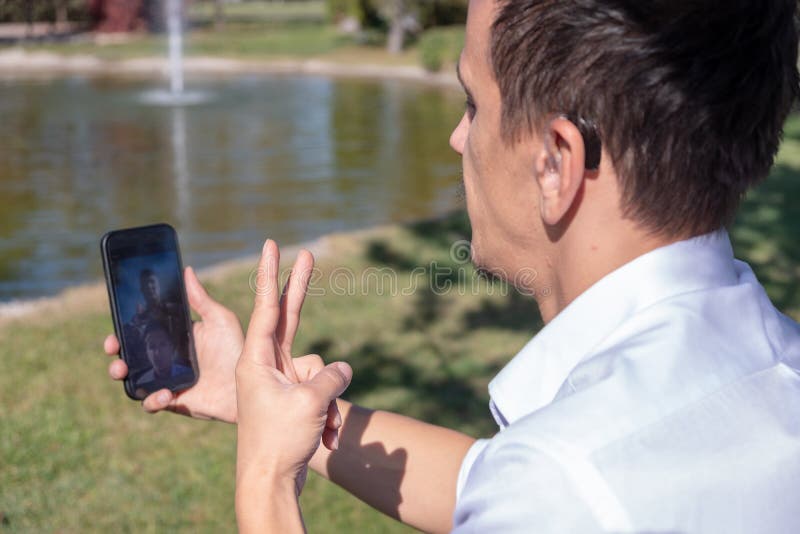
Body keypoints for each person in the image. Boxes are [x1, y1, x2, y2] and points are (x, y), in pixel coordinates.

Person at [104, 0, 800, 532]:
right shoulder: (774, 364)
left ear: (556, 164)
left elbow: (544, 485)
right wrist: (269, 402)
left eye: (474, 103)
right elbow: (495, 478)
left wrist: (264, 475)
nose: (457, 137)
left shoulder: (562, 490)